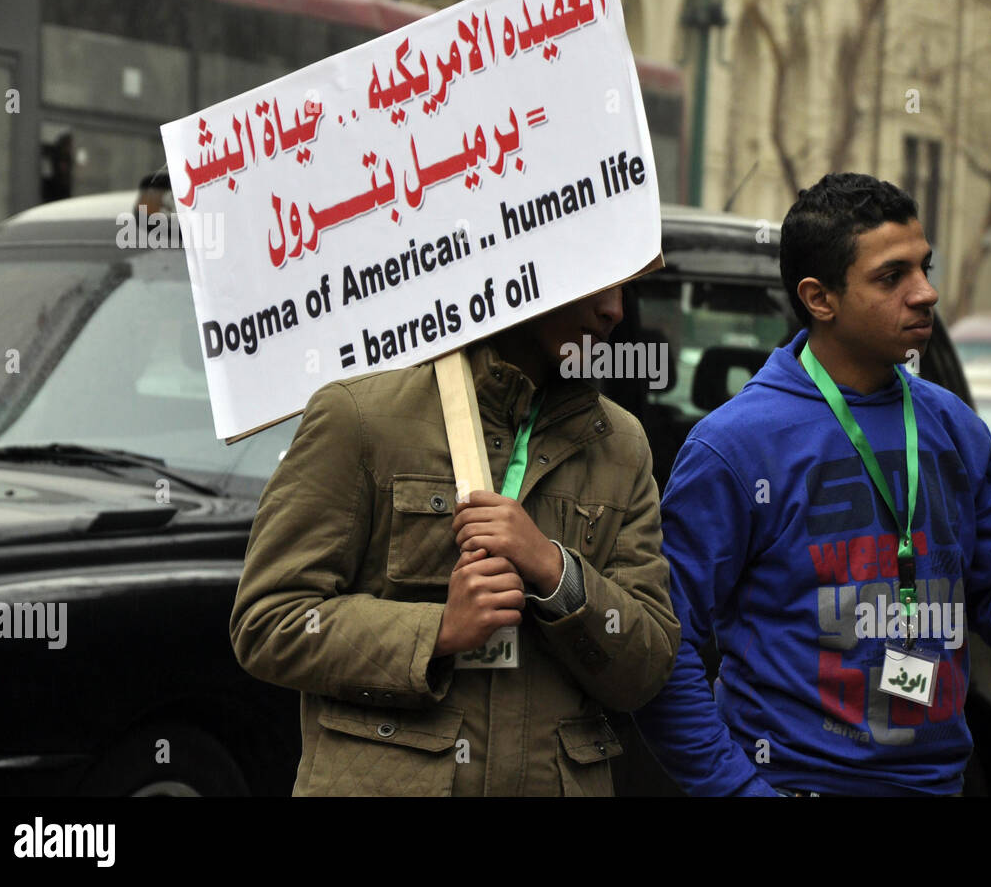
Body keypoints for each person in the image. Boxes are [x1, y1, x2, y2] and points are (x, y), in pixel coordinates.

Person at [633, 173, 991, 796]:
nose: (926, 293)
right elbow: (663, 654)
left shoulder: (952, 427)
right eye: (892, 277)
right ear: (819, 298)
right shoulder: (734, 446)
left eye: (924, 268)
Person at [230, 286, 680, 796]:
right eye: (597, 283)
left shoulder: (620, 445)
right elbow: (269, 622)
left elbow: (646, 667)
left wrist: (557, 574)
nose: (614, 311)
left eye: (625, 288)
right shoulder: (359, 415)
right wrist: (439, 630)